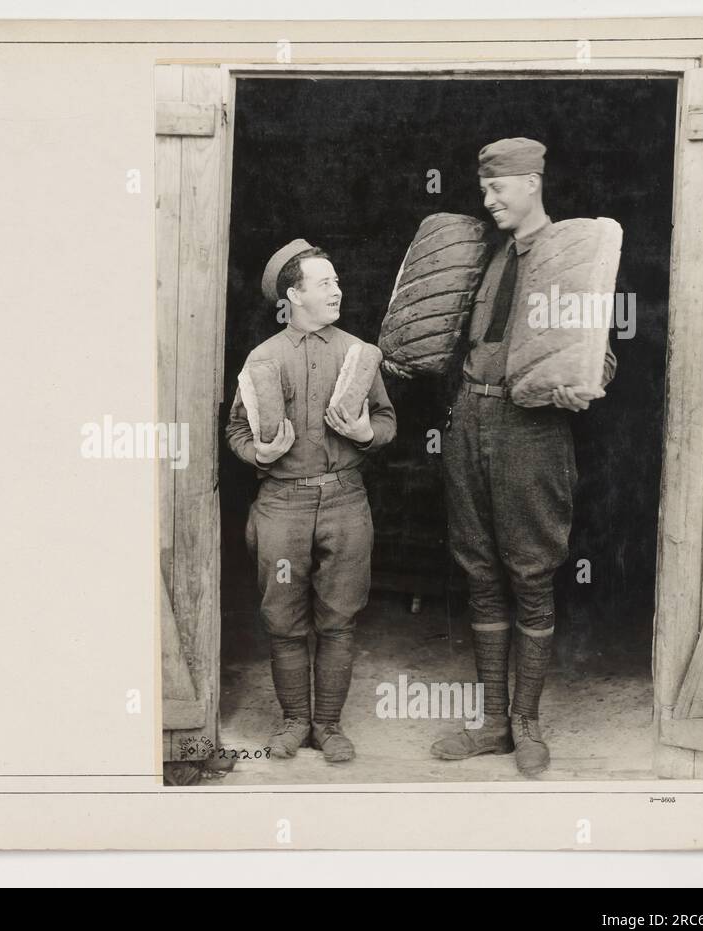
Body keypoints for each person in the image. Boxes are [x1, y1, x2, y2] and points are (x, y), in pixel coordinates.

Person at [424, 137, 618, 776]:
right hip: (469, 419)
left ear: (530, 181)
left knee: (530, 573)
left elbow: (598, 352)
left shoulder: (570, 256)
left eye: (496, 189)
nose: (487, 201)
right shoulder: (486, 255)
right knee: (479, 572)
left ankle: (526, 723)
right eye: (483, 190)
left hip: (530, 428)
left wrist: (579, 382)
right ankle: (491, 725)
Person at [225, 240, 396, 762]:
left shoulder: (359, 354)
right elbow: (235, 428)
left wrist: (368, 432)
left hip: (345, 502)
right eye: (325, 284)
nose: (337, 291)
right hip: (281, 506)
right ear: (294, 295)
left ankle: (328, 726)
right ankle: (295, 721)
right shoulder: (262, 359)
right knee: (283, 619)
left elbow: (388, 422)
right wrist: (257, 451)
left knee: (339, 619)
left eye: (337, 282)